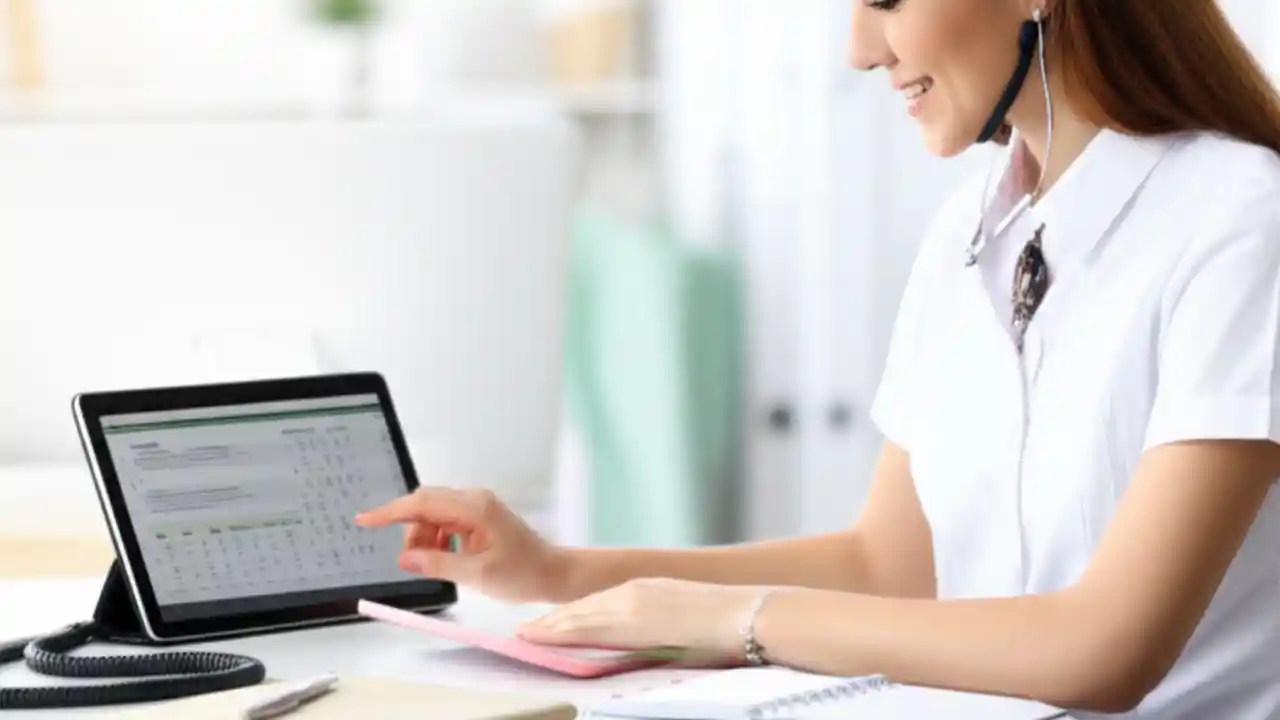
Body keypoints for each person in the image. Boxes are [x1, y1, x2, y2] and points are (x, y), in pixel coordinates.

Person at [357, 1, 1280, 717]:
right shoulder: (969, 227)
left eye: (885, 1)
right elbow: (889, 567)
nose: (860, 50)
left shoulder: (1241, 220)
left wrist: (737, 621)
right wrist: (558, 572)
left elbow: (1105, 650)